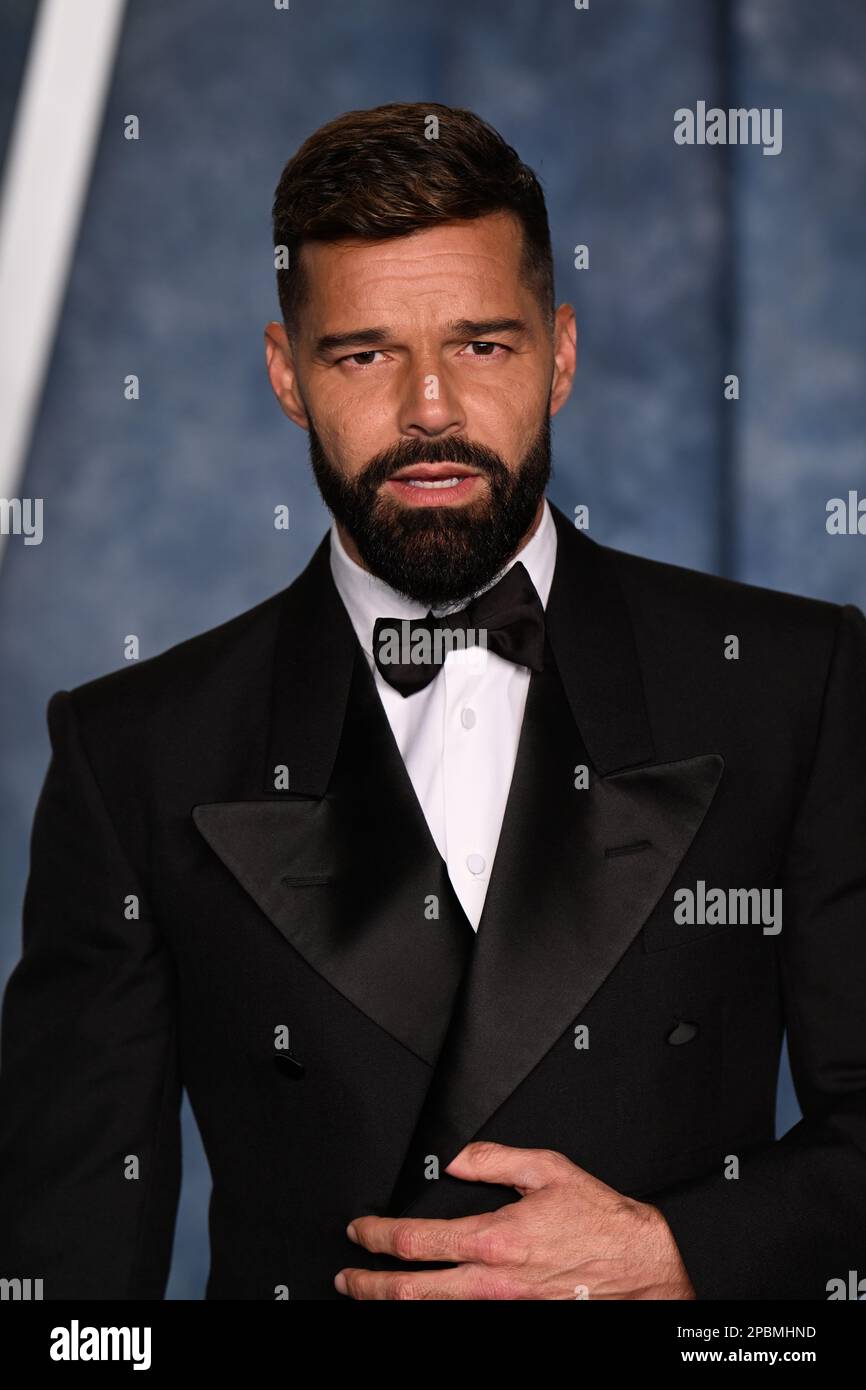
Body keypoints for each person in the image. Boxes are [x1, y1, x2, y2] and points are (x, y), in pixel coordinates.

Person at [1, 102, 864, 1301]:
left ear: (559, 353)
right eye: (363, 354)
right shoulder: (132, 752)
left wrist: (675, 1255)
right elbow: (68, 1282)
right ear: (285, 374)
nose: (428, 410)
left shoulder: (790, 683)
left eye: (482, 345)